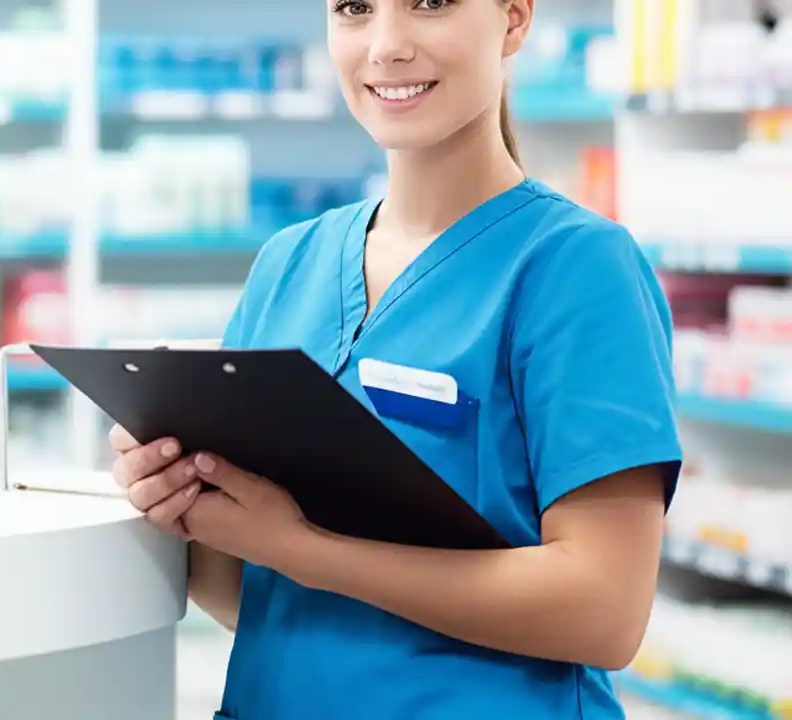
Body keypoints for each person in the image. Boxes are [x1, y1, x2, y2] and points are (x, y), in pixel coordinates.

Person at [108, 1, 682, 718]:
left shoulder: (577, 268)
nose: (385, 47)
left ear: (513, 18)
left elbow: (605, 612)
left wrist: (304, 549)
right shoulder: (287, 266)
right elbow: (256, 601)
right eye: (354, 9)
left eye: (431, 3)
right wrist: (179, 499)